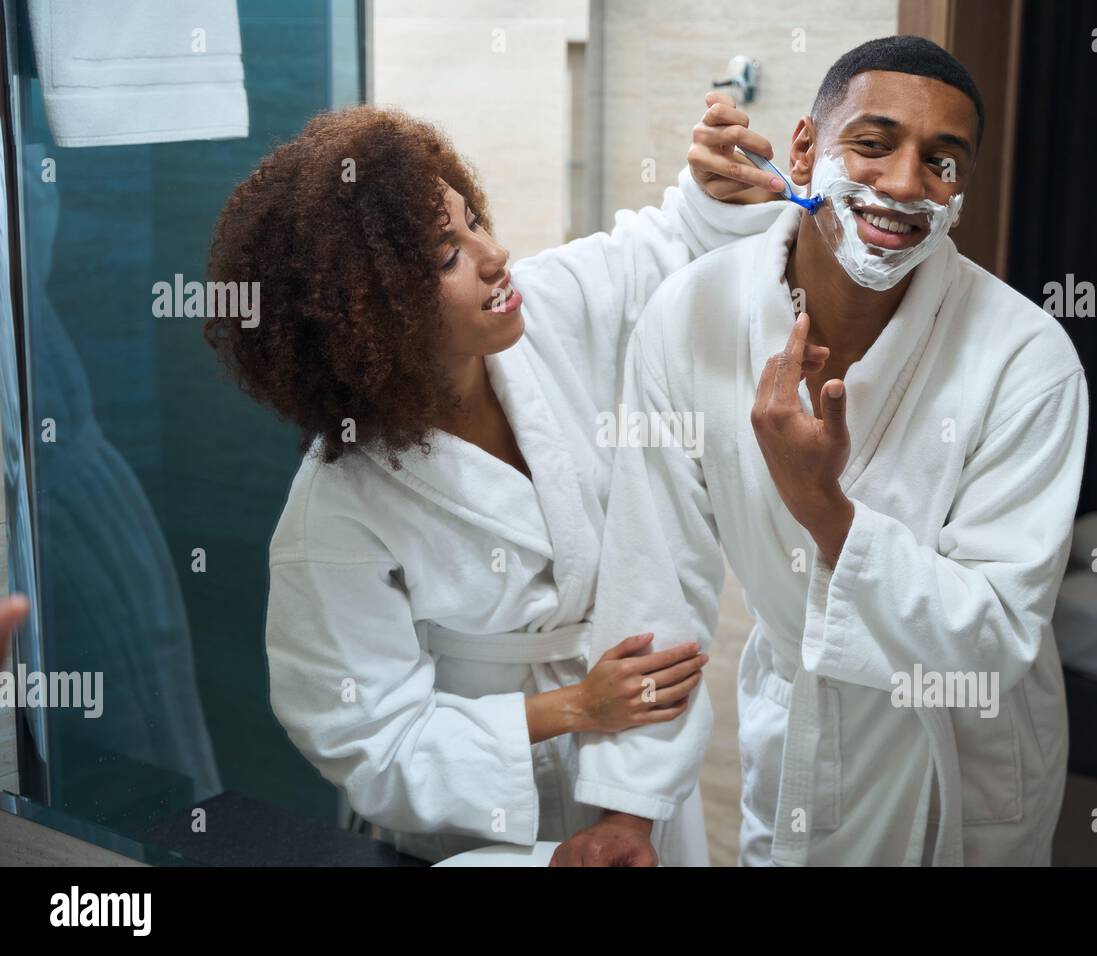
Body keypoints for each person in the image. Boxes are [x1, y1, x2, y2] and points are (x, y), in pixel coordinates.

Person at [205, 96, 802, 864]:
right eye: (445, 257)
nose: (493, 255)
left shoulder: (540, 310)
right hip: (483, 820)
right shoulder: (336, 511)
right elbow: (369, 741)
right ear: (366, 313)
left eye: (474, 221)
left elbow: (663, 248)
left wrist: (714, 187)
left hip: (632, 766)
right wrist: (573, 707)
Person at [554, 36, 1089, 866]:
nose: (905, 184)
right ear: (804, 149)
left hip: (957, 744)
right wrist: (627, 812)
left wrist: (825, 510)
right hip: (801, 728)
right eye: (872, 144)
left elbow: (995, 633)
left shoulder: (1028, 358)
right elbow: (653, 577)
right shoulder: (691, 316)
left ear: (961, 190)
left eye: (942, 162)